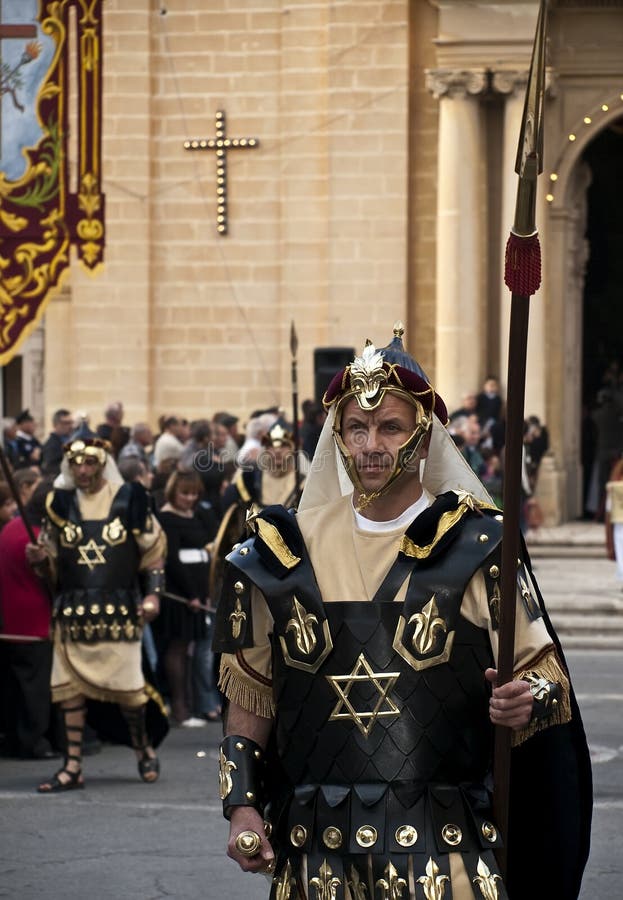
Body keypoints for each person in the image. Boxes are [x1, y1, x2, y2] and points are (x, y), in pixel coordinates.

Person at [213, 327, 591, 900]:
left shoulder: (478, 545)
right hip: (315, 853)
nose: (371, 444)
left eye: (389, 426)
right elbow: (252, 693)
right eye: (356, 428)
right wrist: (241, 806)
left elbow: (547, 677)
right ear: (338, 435)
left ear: (424, 433)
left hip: (448, 852)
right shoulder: (281, 550)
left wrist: (525, 698)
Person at [25, 436, 168, 792]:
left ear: (102, 463)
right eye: (76, 464)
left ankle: (143, 748)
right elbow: (53, 560)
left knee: (130, 694)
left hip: (119, 613)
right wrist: (41, 561)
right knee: (68, 691)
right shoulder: (58, 503)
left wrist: (153, 596)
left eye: (89, 463)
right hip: (72, 612)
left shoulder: (130, 498)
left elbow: (153, 553)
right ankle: (72, 765)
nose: (82, 470)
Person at [154, 470, 219, 725]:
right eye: (185, 493)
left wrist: (204, 593)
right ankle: (180, 709)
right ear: (173, 492)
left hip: (198, 593)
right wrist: (192, 594)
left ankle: (190, 705)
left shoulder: (197, 514)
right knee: (178, 649)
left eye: (194, 494)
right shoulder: (166, 518)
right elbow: (172, 559)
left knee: (192, 650)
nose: (190, 498)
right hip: (179, 594)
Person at [0, 479, 58, 760]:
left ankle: (14, 738)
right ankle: (33, 741)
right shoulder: (37, 538)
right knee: (34, 688)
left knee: (14, 688)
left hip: (9, 618)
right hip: (34, 618)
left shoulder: (11, 527)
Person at [40, 409, 75, 476]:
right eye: (66, 423)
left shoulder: (71, 440)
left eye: (71, 422)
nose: (70, 426)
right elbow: (50, 468)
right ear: (55, 425)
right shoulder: (51, 445)